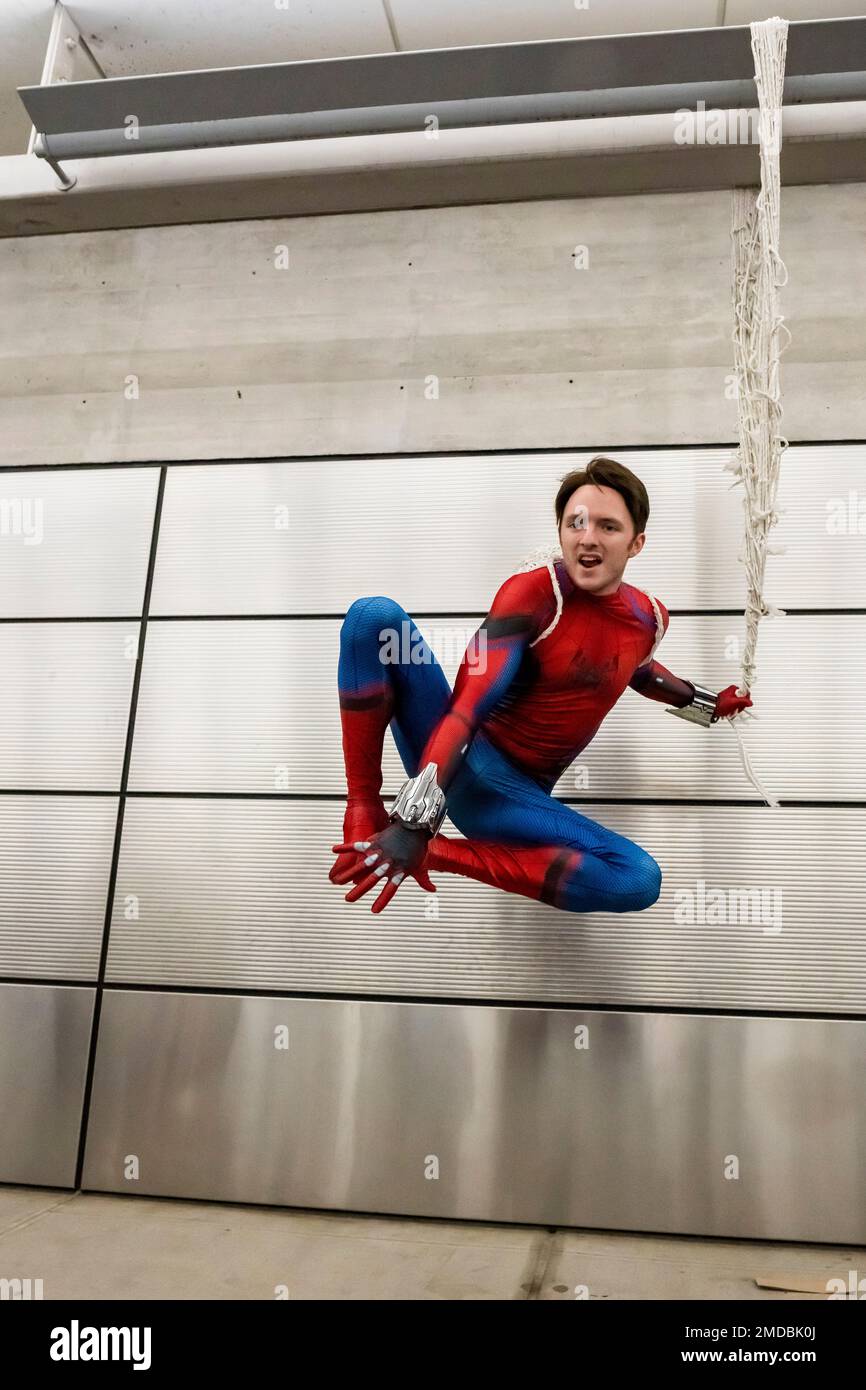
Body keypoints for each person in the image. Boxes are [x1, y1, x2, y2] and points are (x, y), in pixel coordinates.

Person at [330, 455, 752, 915]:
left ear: (637, 543)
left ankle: (436, 856)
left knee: (637, 878)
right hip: (456, 754)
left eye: (608, 527)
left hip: (510, 801)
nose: (588, 538)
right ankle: (363, 808)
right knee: (375, 617)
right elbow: (467, 706)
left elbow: (640, 671)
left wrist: (709, 706)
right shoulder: (534, 593)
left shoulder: (649, 618)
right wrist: (412, 822)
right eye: (576, 524)